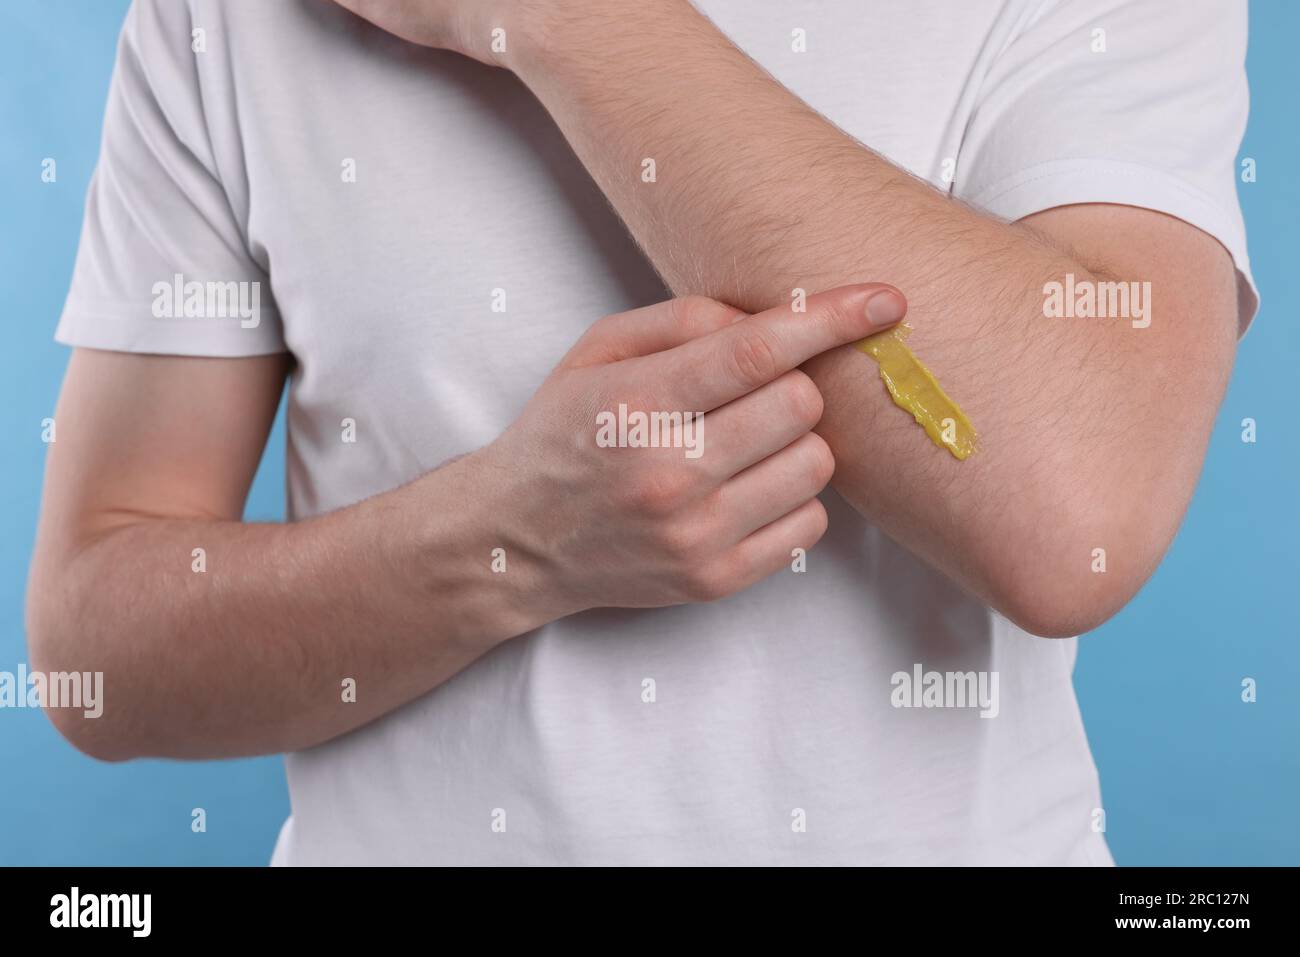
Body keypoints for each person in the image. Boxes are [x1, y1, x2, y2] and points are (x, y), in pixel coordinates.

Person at [28, 0, 1255, 865]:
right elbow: (98, 654)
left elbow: (1071, 518)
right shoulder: (235, 21)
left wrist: (571, 18)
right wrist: (508, 545)